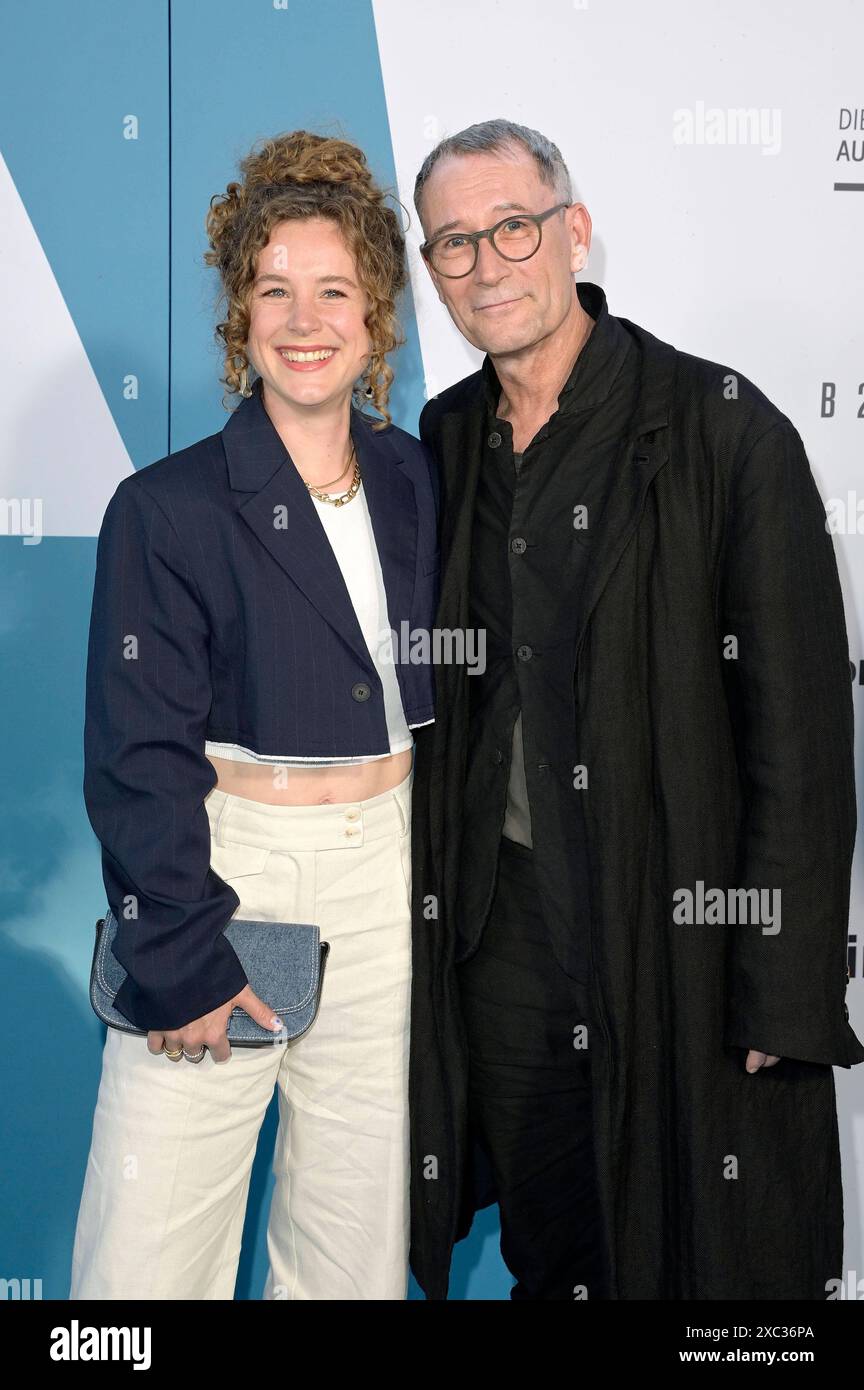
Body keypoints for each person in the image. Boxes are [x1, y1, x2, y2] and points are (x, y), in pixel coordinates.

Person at [405, 117, 863, 1300]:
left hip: (683, 925)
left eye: (512, 227)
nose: (487, 264)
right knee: (552, 1246)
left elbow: (802, 735)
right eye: (453, 244)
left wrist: (786, 976)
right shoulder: (447, 441)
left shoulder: (722, 427)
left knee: (701, 1256)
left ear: (574, 230)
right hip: (505, 935)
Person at [70, 130, 439, 1300]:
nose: (304, 317)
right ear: (240, 315)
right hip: (226, 878)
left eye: (334, 289)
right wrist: (173, 954)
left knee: (353, 1256)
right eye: (273, 289)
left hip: (385, 882)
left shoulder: (413, 476)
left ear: (376, 314)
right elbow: (136, 757)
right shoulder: (163, 507)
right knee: (146, 1262)